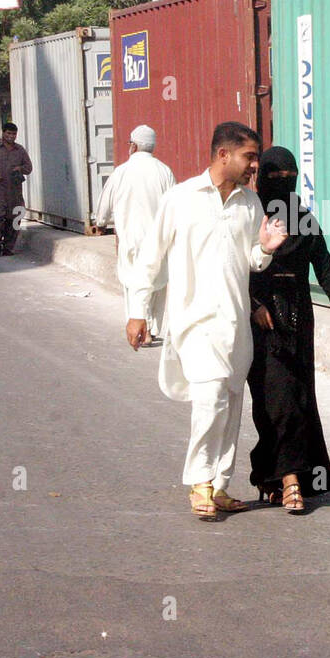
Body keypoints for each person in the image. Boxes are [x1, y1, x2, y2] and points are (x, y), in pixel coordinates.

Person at [126, 121, 288, 521]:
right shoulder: (181, 198)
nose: (255, 165)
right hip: (194, 320)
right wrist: (137, 311)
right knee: (211, 397)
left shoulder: (249, 204)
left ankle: (219, 485)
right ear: (223, 154)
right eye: (249, 156)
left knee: (231, 401)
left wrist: (265, 249)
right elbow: (150, 256)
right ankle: (199, 481)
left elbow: (251, 258)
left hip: (235, 321)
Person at [247, 147, 330, 513]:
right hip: (262, 320)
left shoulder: (305, 221)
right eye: (275, 178)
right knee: (274, 402)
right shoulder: (249, 216)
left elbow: (326, 270)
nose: (283, 184)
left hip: (298, 319)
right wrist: (254, 305)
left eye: (290, 177)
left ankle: (283, 477)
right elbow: (233, 264)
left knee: (298, 399)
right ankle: (288, 480)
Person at [95, 124, 176, 346]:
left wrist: (101, 223)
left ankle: (142, 328)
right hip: (158, 241)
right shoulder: (164, 171)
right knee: (156, 285)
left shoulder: (121, 172)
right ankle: (150, 328)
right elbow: (174, 207)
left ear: (134, 145)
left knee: (134, 285)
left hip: (129, 240)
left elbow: (103, 207)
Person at [0, 122, 33, 256]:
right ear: (3, 133)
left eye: (14, 134)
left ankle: (8, 247)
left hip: (14, 193)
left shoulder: (20, 150)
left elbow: (29, 168)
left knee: (15, 221)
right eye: (8, 133)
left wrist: (19, 169)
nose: (11, 136)